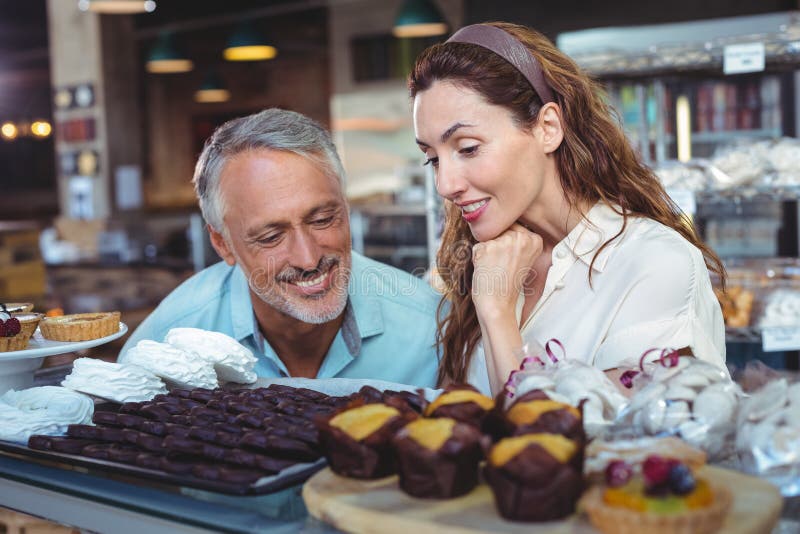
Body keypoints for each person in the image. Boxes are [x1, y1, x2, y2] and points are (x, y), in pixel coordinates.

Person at [409, 22, 726, 396]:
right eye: (433, 159)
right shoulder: (477, 259)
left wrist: (496, 313)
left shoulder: (654, 264)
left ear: (548, 128)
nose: (445, 185)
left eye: (468, 148)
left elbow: (565, 433)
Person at [122, 108, 440, 387]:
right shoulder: (165, 342)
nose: (308, 259)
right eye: (271, 237)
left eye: (323, 220)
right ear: (222, 244)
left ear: (345, 208)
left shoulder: (432, 331)